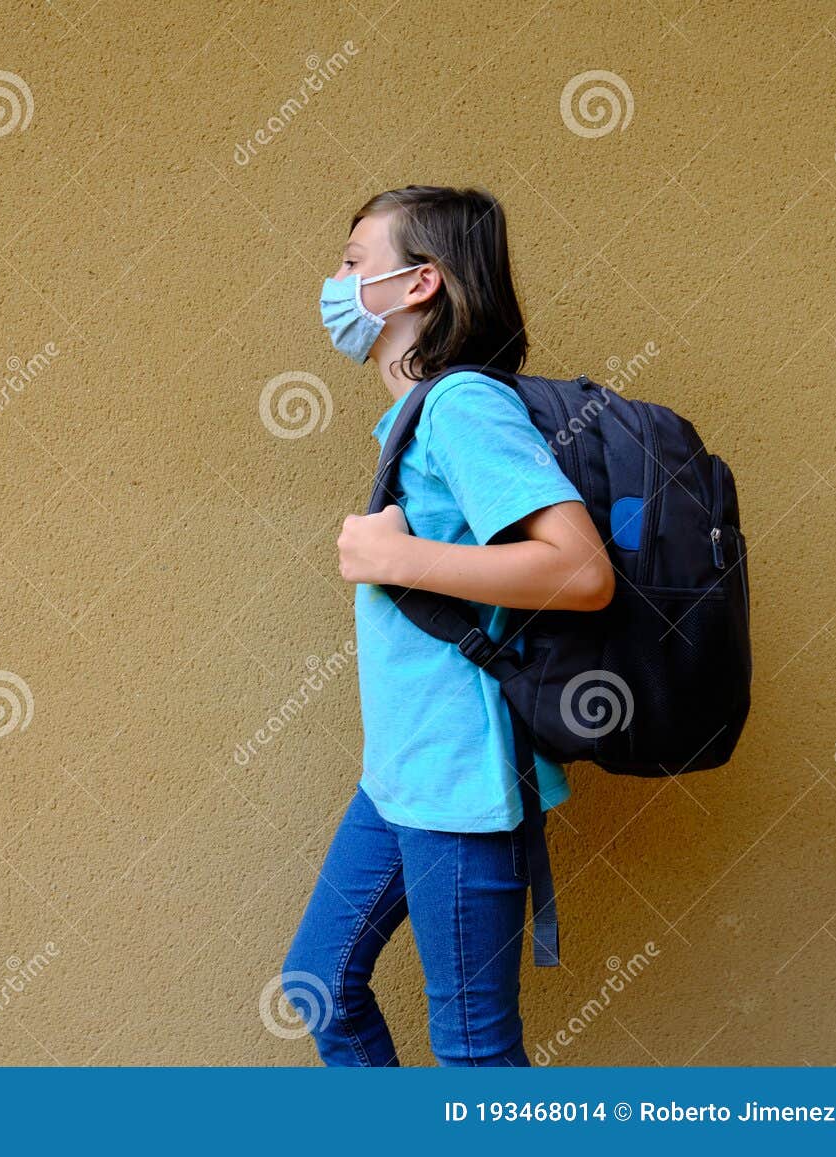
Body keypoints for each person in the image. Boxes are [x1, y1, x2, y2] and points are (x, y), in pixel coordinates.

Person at [282, 185, 615, 1066]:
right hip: (405, 776)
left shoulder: (465, 404)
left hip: (462, 787)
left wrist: (394, 558)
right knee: (320, 982)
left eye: (354, 264)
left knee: (473, 1056)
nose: (338, 283)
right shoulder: (418, 413)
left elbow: (581, 571)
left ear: (419, 282)